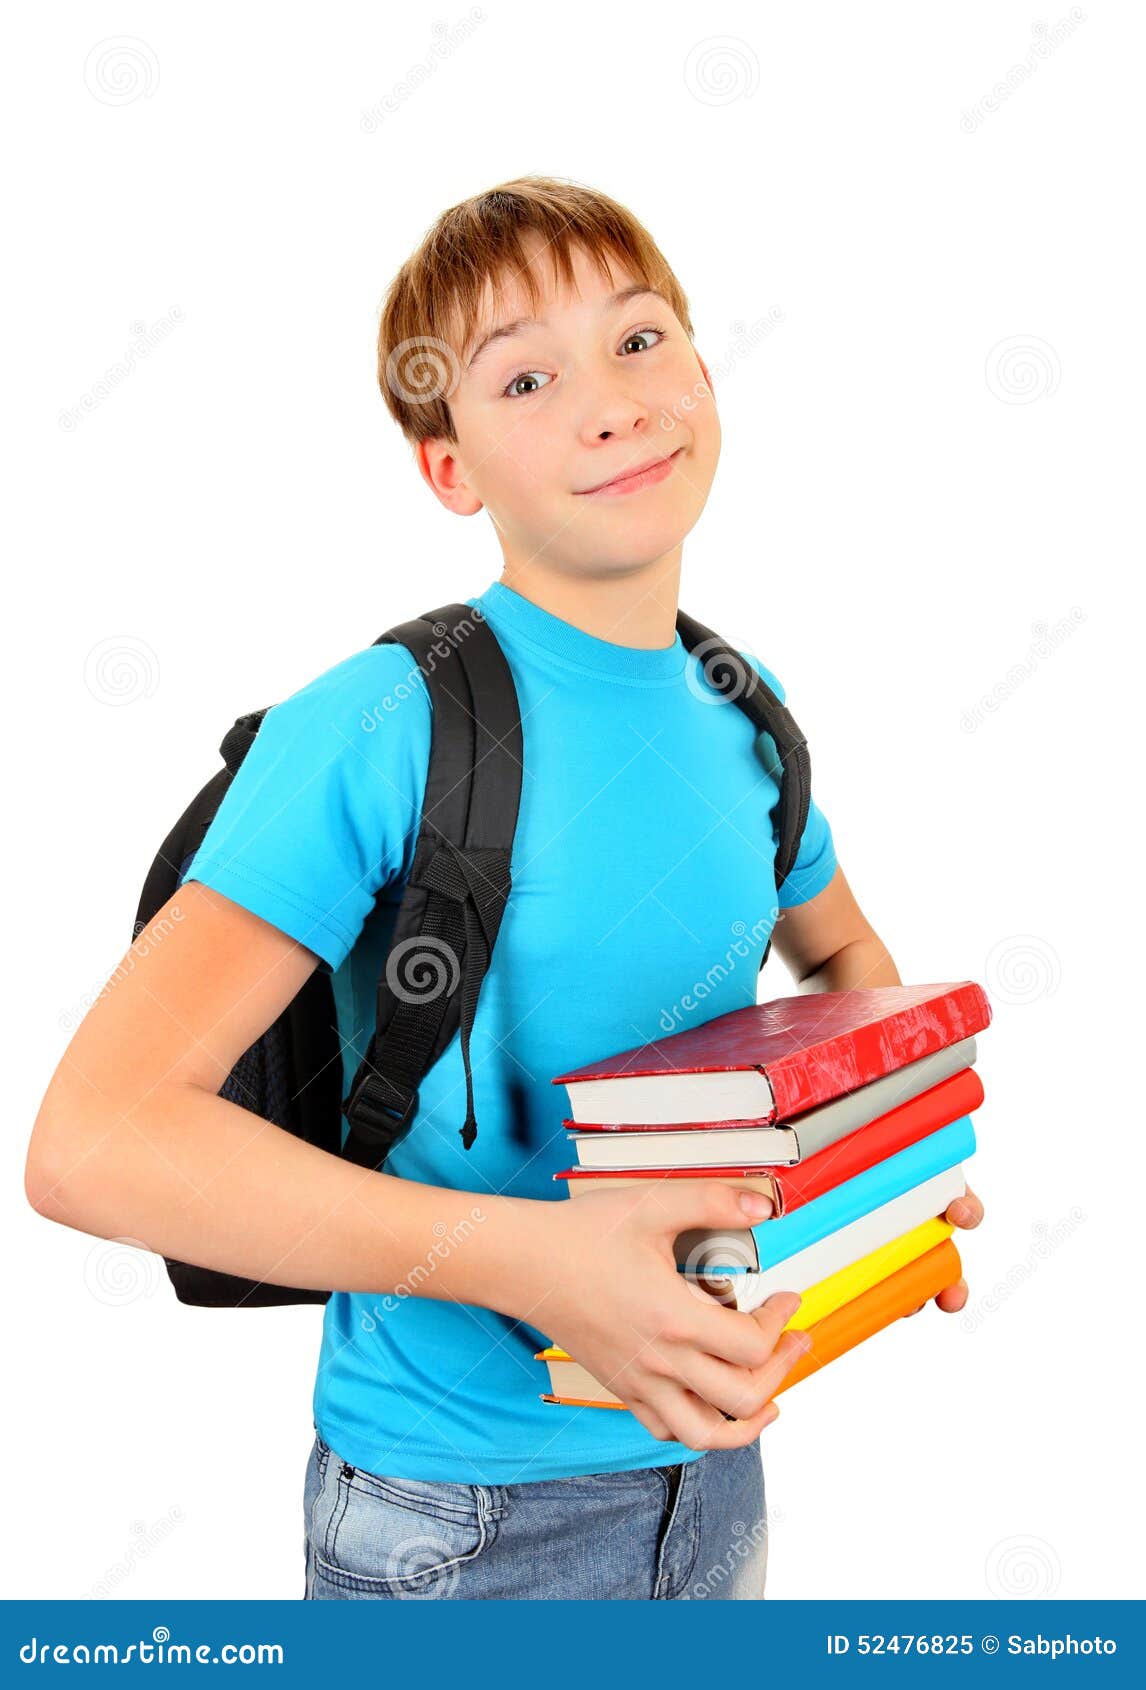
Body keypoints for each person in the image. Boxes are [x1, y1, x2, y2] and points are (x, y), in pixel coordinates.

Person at [25, 176, 983, 1600]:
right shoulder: (374, 724)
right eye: (526, 375)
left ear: (706, 376)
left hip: (713, 1462)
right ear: (447, 466)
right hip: (454, 1520)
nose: (609, 401)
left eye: (641, 340)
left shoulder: (744, 709)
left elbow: (847, 966)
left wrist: (877, 1176)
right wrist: (544, 1265)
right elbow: (89, 1145)